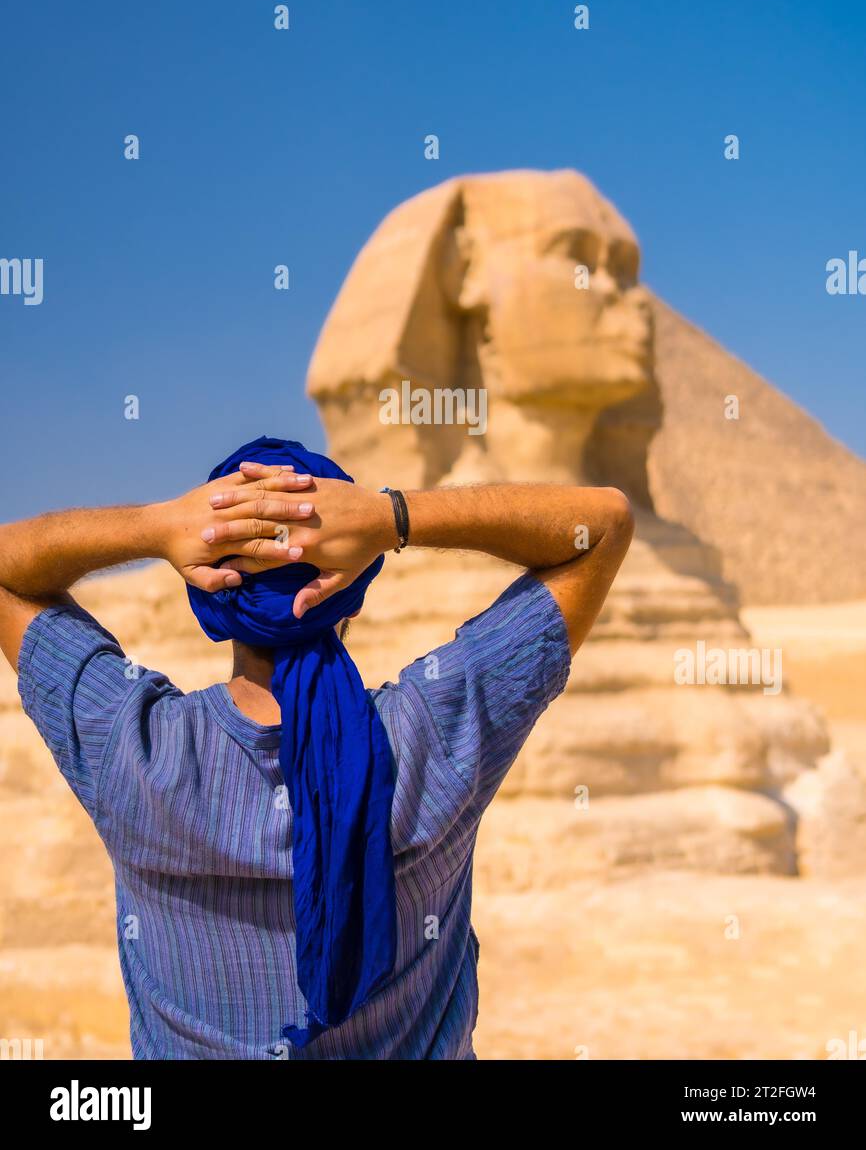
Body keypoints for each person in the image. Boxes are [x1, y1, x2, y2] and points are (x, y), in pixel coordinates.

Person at [0, 436, 634, 1060]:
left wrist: (156, 525)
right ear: (351, 587)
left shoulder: (129, 745)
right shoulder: (432, 730)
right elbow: (602, 525)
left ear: (209, 599)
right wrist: (393, 516)